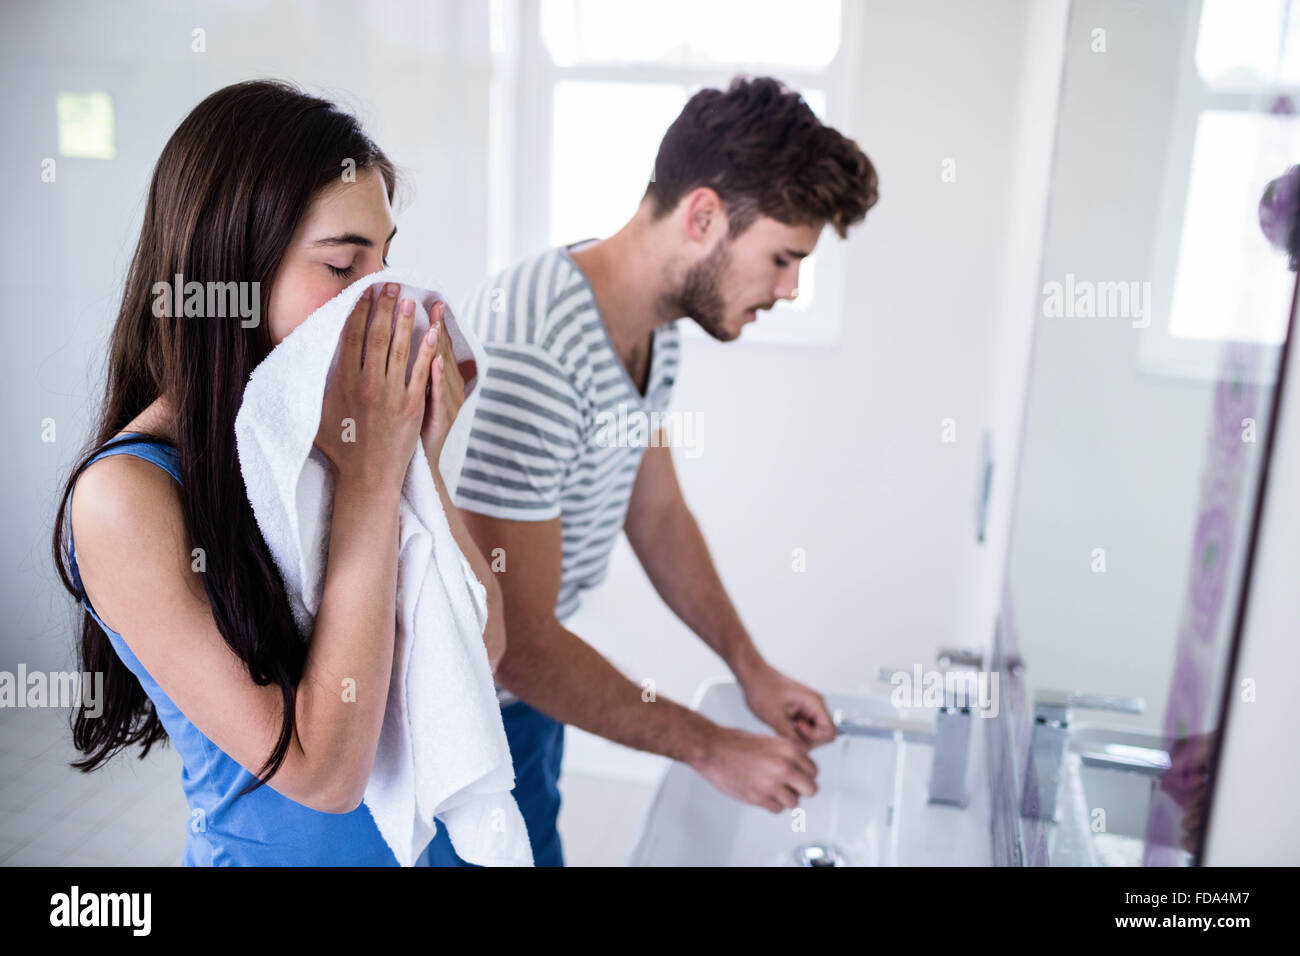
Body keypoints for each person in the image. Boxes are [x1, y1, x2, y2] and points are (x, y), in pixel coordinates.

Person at [426, 76, 879, 866]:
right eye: (782, 258)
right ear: (703, 217)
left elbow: (657, 513)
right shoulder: (537, 345)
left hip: (526, 705)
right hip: (467, 718)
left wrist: (752, 670)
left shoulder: (652, 328)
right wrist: (710, 746)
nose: (789, 289)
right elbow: (520, 644)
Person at [53, 80, 500, 865]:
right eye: (341, 264)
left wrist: (418, 461)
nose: (380, 296)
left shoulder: (335, 435)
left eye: (385, 259)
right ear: (229, 270)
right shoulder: (127, 496)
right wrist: (369, 484)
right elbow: (322, 774)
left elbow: (482, 649)